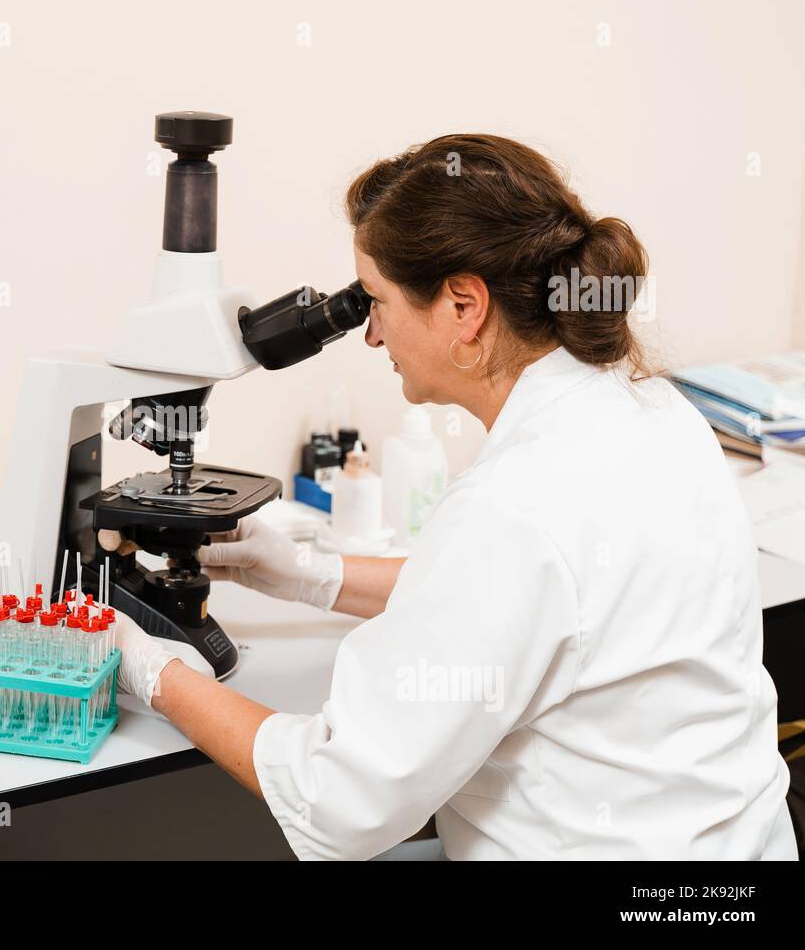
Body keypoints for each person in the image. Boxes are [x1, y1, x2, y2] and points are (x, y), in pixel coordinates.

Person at [108, 134, 796, 860]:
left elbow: (336, 799)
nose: (369, 335)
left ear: (464, 305)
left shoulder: (514, 506)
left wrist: (151, 671)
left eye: (373, 301)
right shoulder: (657, 411)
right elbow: (536, 601)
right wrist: (319, 577)